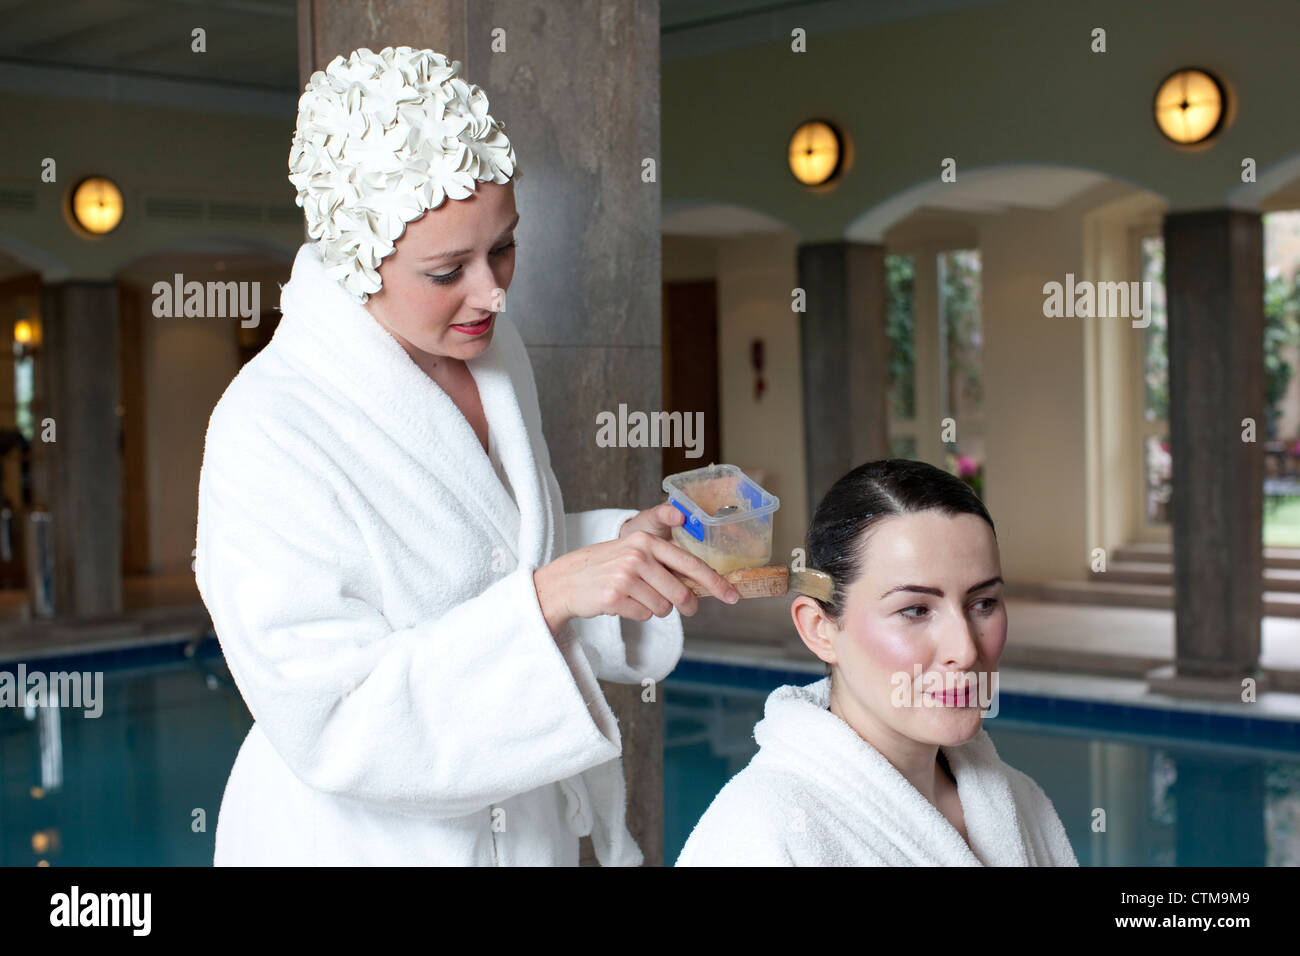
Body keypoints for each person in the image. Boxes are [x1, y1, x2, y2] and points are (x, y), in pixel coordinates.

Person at [195, 46, 738, 866]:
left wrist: (623, 548)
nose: (493, 293)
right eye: (448, 269)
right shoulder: (268, 428)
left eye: (505, 248)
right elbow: (331, 718)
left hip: (521, 824)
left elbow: (493, 545)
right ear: (356, 261)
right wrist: (551, 596)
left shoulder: (491, 350)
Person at [676, 459, 1078, 866]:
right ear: (819, 628)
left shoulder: (1021, 803)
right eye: (916, 610)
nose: (967, 650)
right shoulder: (759, 834)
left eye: (984, 603)